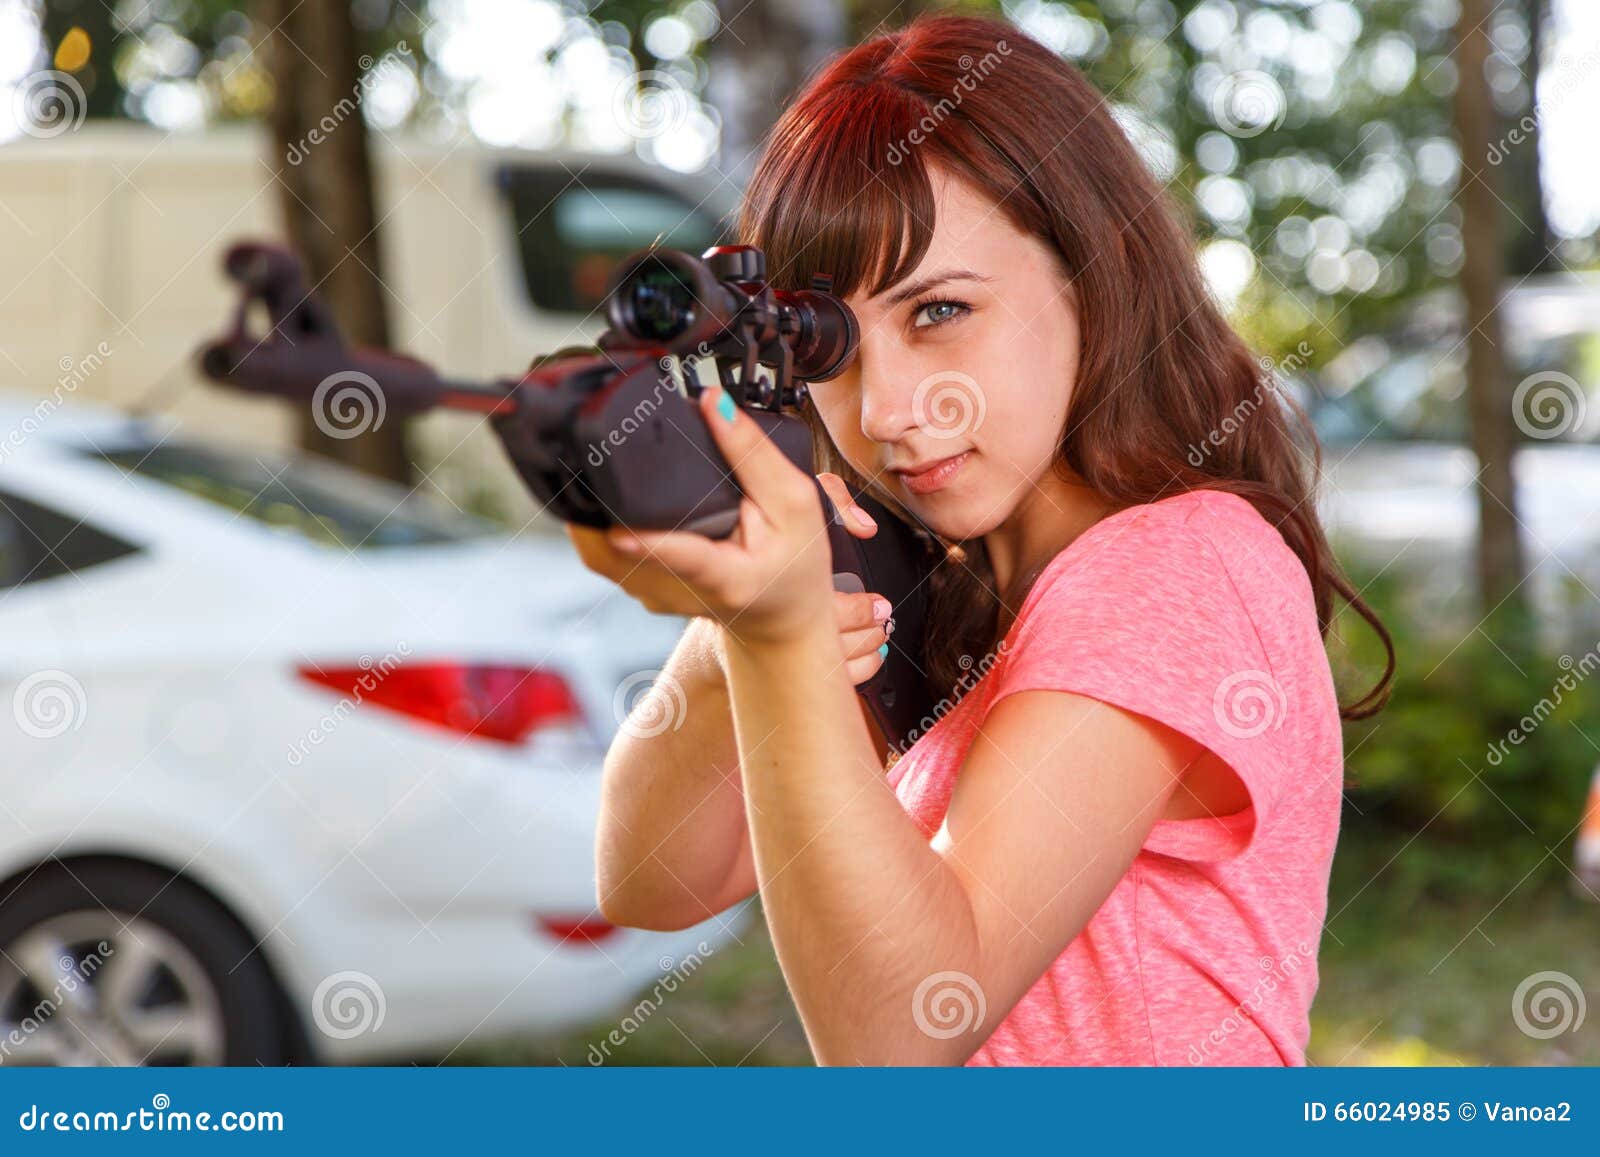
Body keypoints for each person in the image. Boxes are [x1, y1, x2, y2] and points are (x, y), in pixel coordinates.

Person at [572, 12, 1393, 1066]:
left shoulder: (1177, 563)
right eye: (833, 347)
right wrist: (736, 625)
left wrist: (779, 639)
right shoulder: (952, 581)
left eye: (940, 310)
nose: (888, 410)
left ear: (1094, 270)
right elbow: (650, 878)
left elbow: (896, 1034)